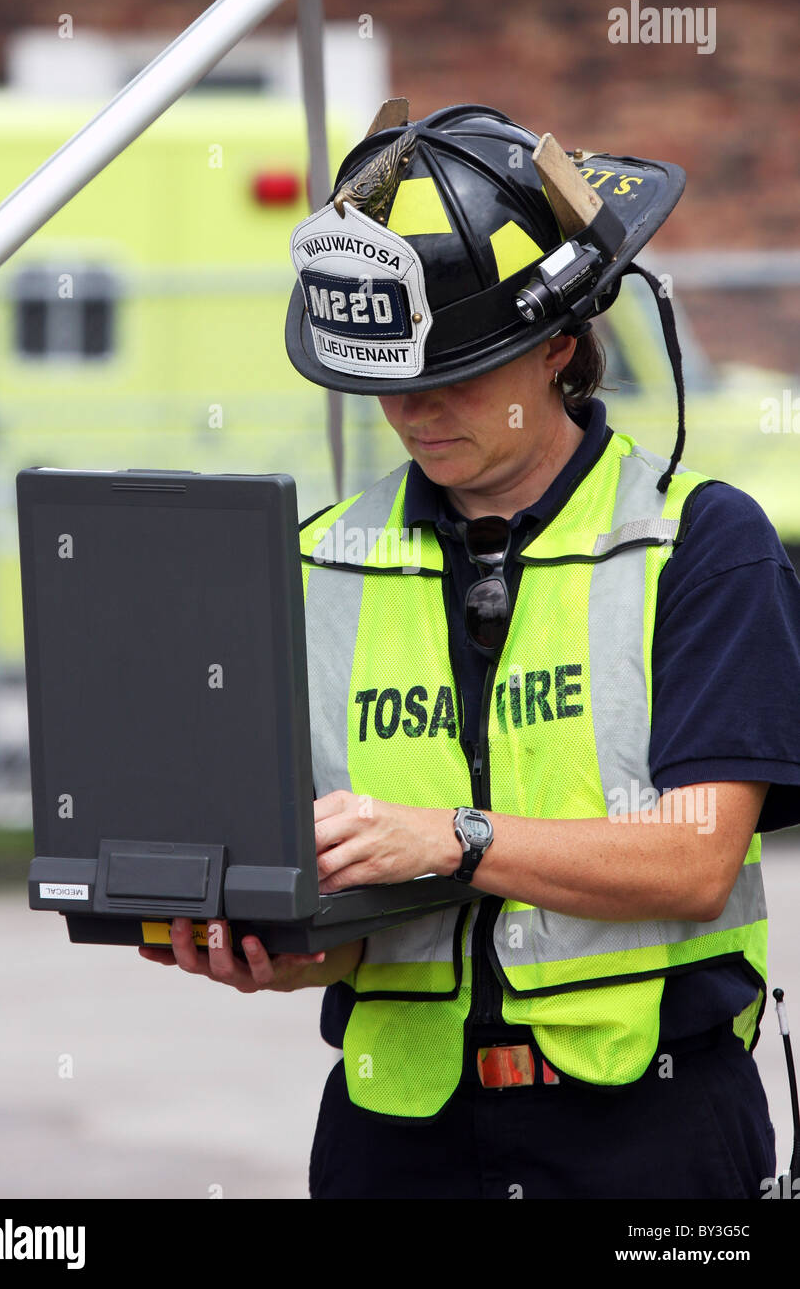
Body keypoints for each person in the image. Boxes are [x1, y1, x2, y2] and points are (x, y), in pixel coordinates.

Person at [140, 103, 800, 1200]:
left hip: (647, 1138)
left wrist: (450, 837)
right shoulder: (319, 566)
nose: (412, 410)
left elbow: (693, 862)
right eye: (387, 379)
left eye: (453, 370)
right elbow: (344, 913)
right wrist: (269, 948)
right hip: (393, 1138)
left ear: (558, 342)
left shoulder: (702, 544)